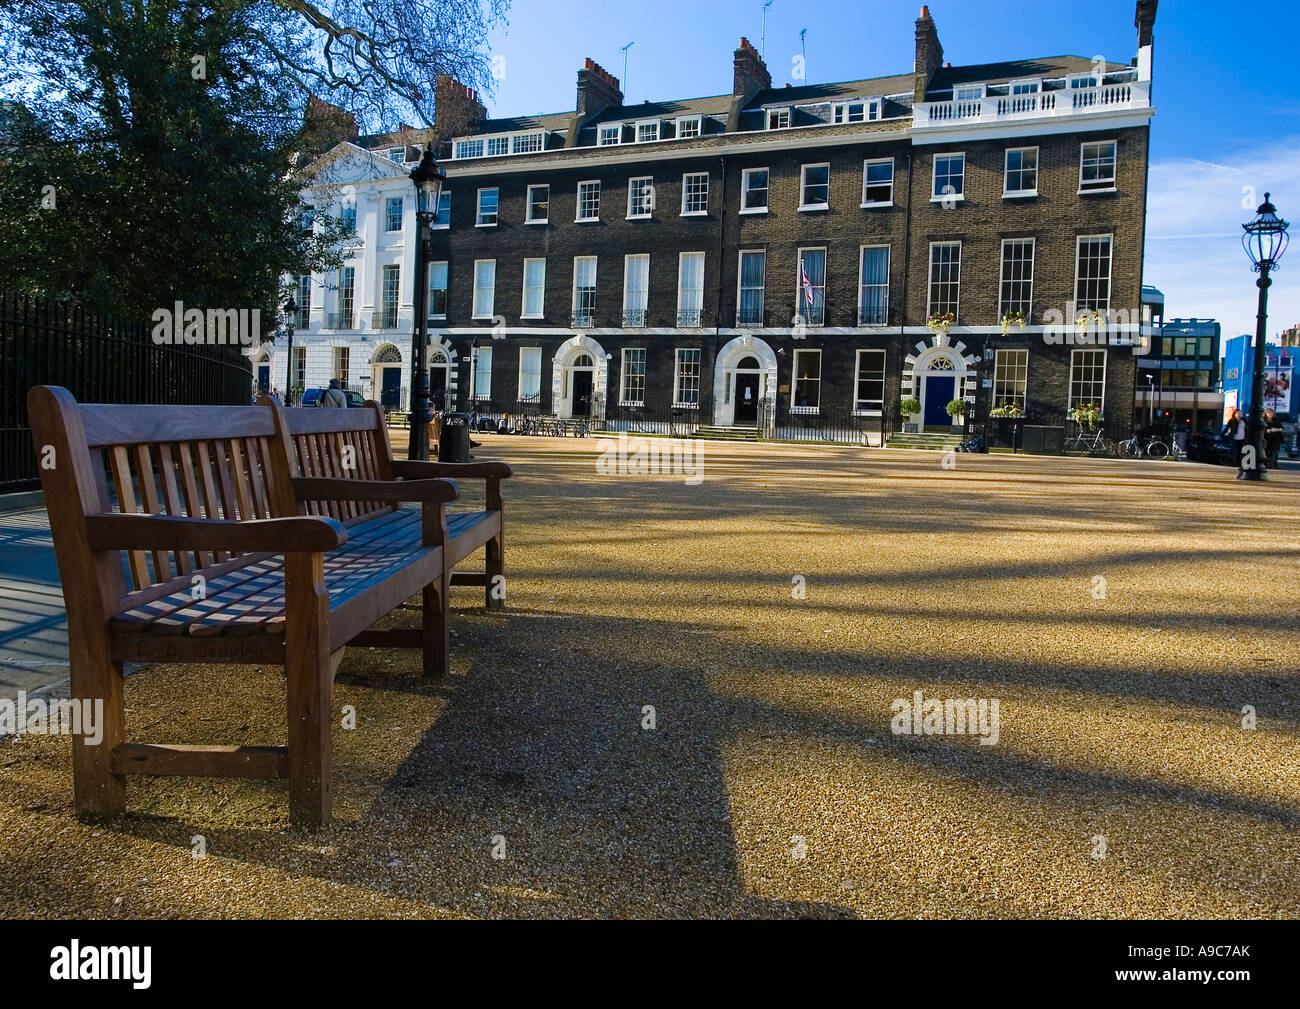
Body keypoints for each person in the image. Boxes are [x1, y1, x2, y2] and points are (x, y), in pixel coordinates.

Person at [1222, 407, 1249, 478]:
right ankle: (1235, 463)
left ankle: (1241, 464)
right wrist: (1221, 435)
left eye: (1240, 413)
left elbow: (1248, 429)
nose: (1240, 415)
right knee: (1235, 451)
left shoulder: (1244, 420)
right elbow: (1227, 428)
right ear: (1235, 414)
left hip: (1243, 438)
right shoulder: (1232, 421)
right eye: (1238, 413)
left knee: (1242, 452)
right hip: (1235, 438)